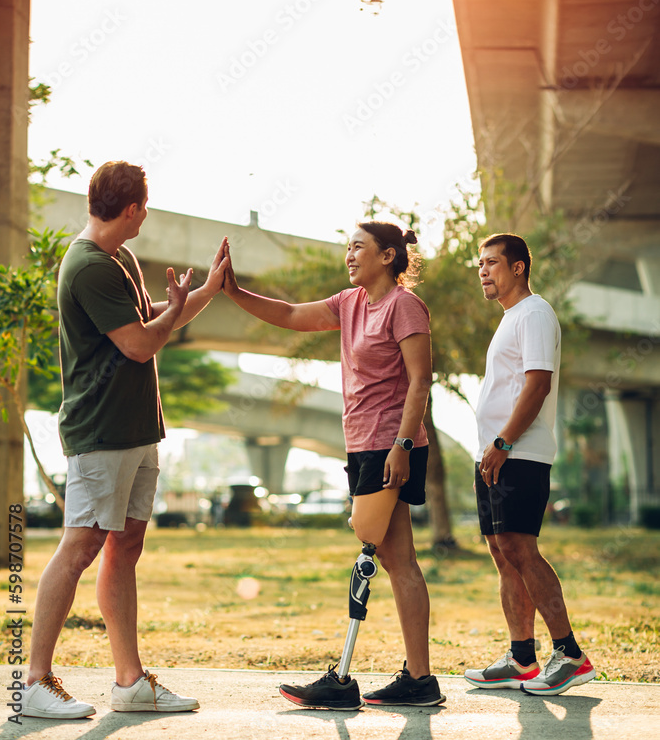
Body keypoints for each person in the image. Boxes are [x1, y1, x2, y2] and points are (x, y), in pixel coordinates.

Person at [23, 161, 227, 719]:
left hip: (137, 430)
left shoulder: (122, 258)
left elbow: (152, 322)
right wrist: (180, 311)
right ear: (133, 209)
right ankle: (35, 681)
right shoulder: (88, 265)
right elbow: (140, 345)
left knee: (125, 548)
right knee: (80, 547)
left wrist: (204, 291)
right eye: (146, 205)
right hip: (100, 433)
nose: (146, 214)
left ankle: (130, 682)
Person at [218, 221, 445, 711]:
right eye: (347, 247)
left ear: (387, 256)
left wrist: (403, 445)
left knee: (369, 541)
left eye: (358, 247)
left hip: (391, 443)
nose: (348, 254)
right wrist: (233, 291)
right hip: (363, 444)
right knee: (397, 559)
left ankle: (342, 680)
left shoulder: (404, 306)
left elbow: (421, 380)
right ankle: (420, 680)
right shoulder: (350, 303)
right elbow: (288, 314)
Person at [465, 233, 596, 697]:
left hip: (519, 452)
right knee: (504, 555)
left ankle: (570, 655)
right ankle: (522, 656)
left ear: (518, 267)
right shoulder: (511, 318)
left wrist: (503, 440)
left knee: (521, 549)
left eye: (492, 262)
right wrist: (490, 447)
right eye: (479, 264)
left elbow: (537, 384)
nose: (483, 271)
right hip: (496, 454)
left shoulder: (535, 313)